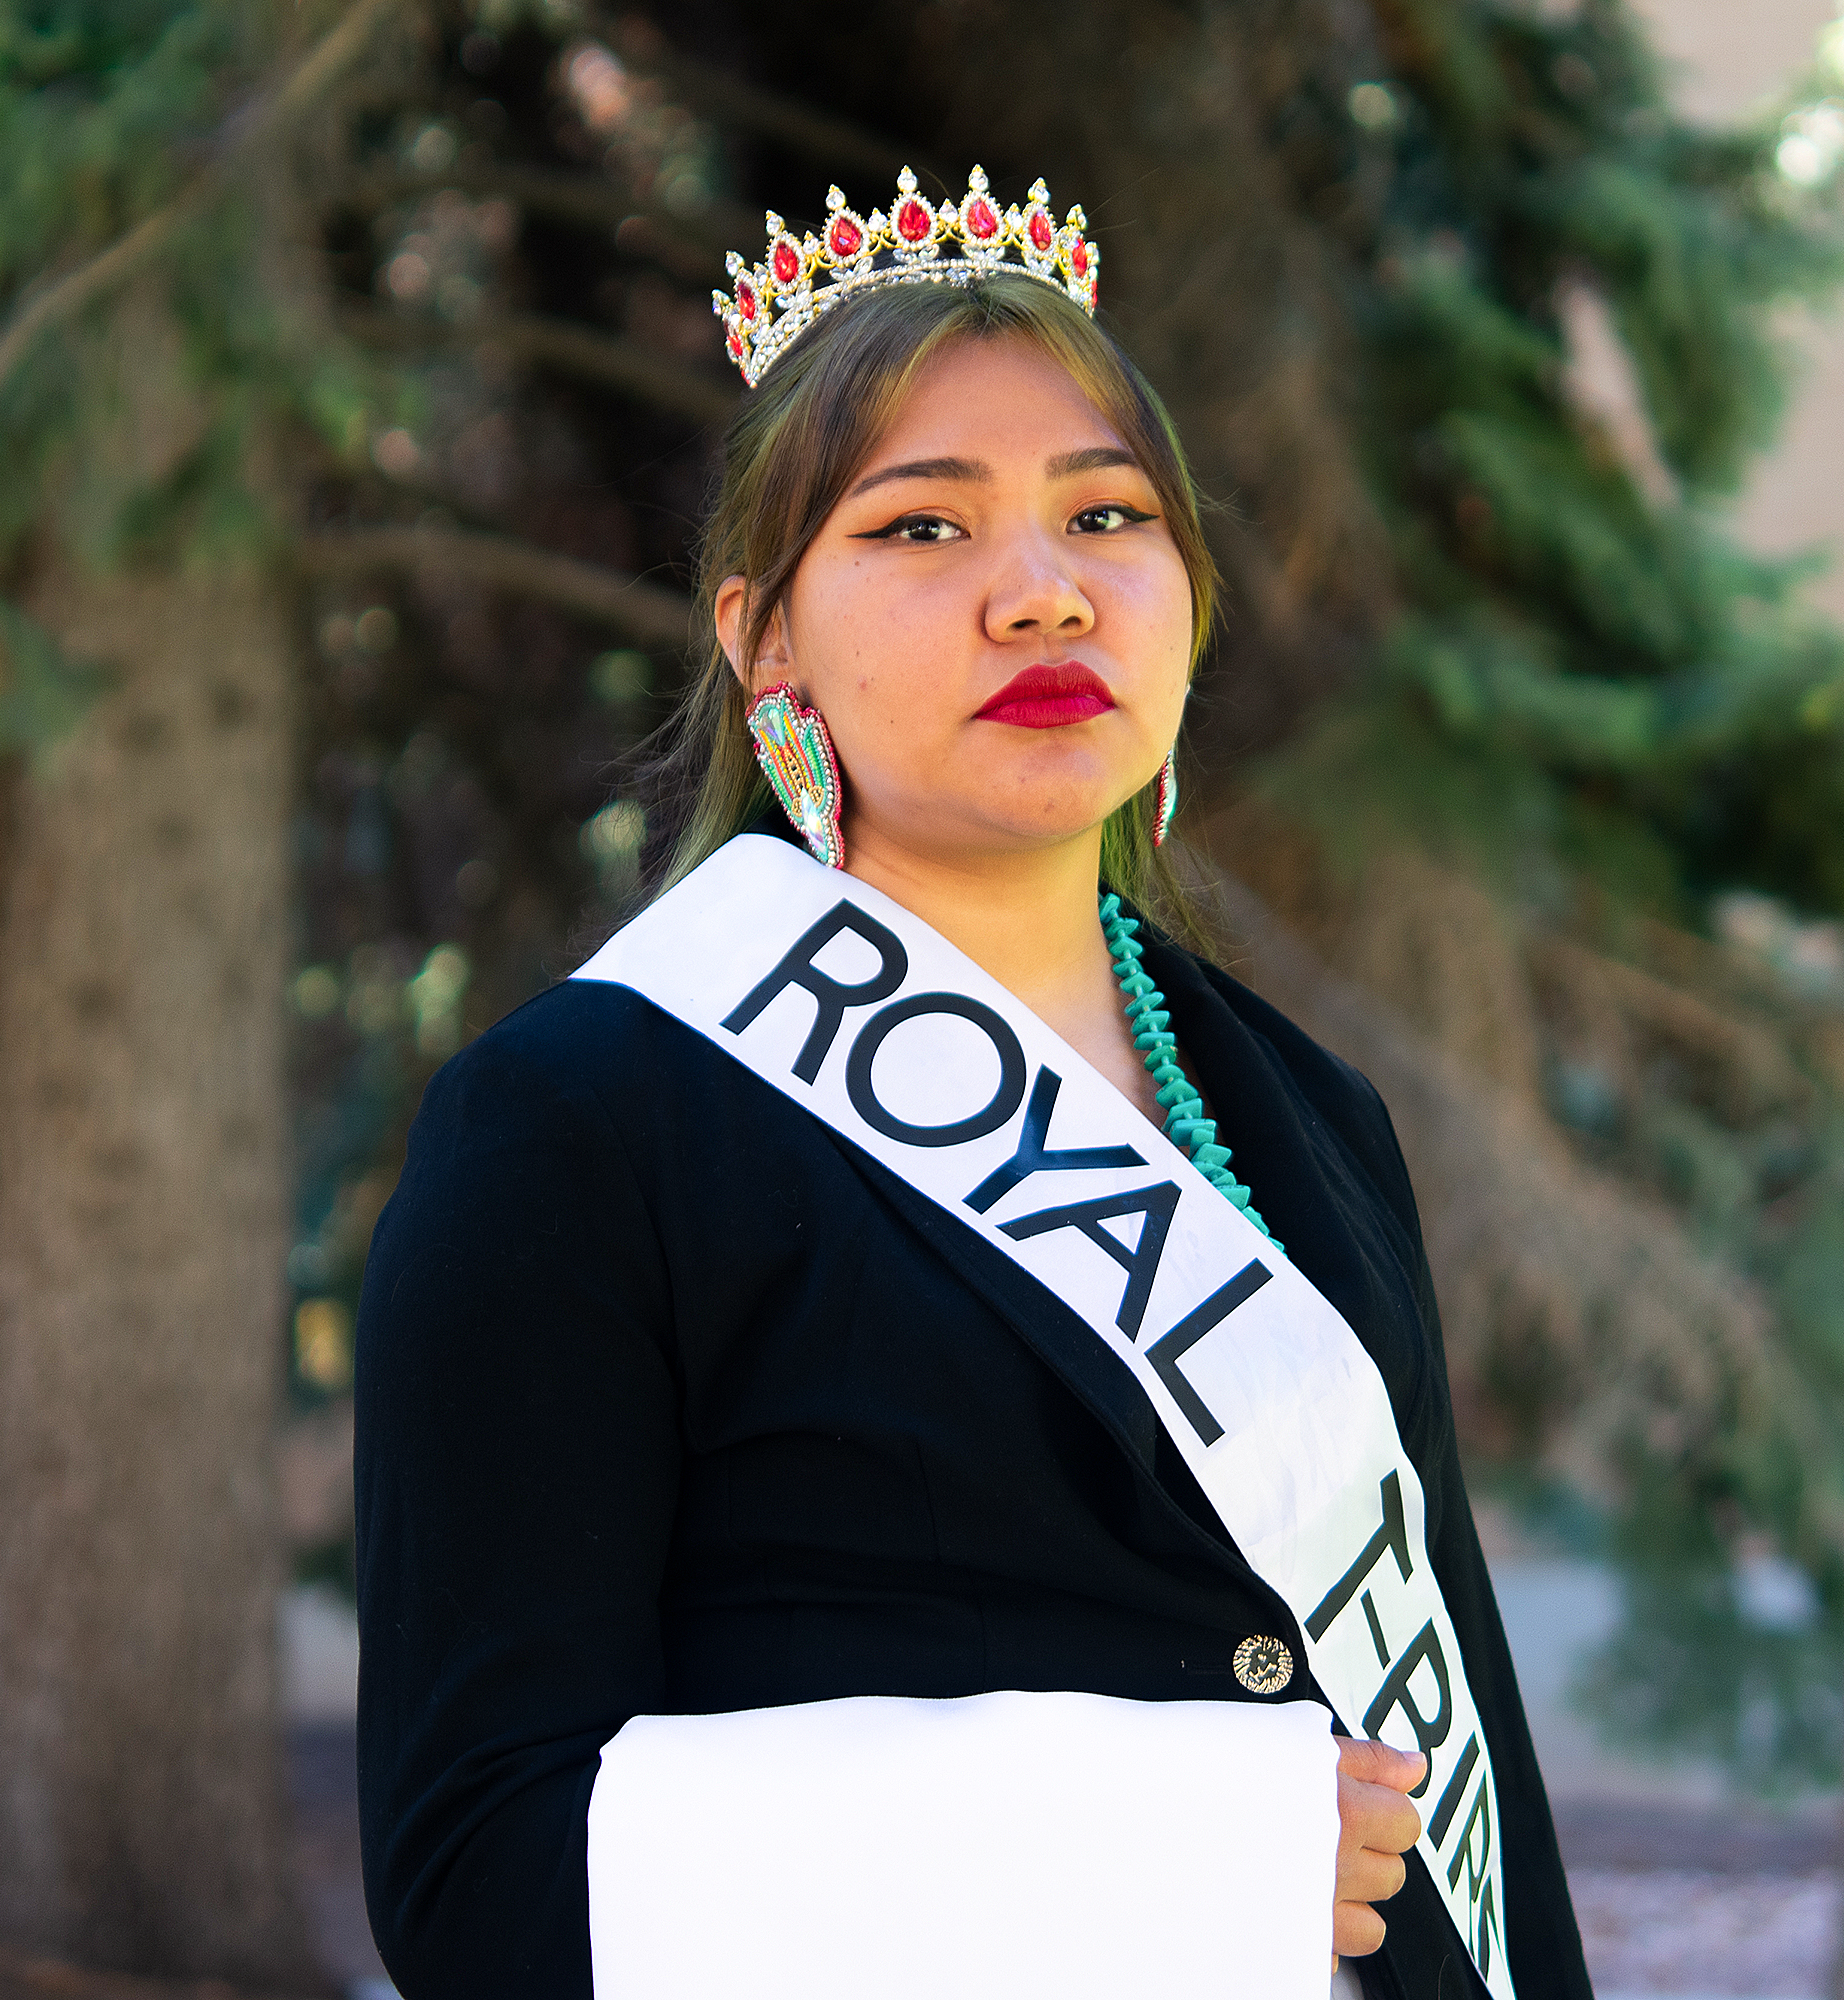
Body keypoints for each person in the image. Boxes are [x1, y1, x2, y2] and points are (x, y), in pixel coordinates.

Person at [355, 167, 1593, 2000]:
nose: (1041, 592)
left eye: (1108, 515)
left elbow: (1459, 1753)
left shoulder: (1316, 1120)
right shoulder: (580, 1127)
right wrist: (1187, 1846)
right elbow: (484, 1877)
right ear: (762, 635)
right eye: (921, 531)